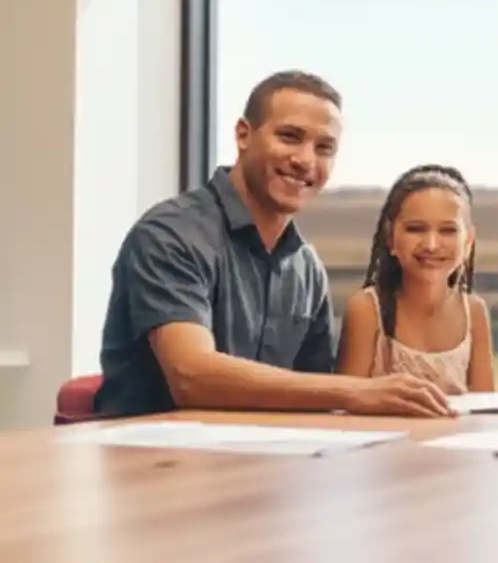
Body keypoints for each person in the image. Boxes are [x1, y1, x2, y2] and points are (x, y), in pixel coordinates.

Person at [94, 71, 454, 418]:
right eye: (290, 136)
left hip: (256, 454)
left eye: (324, 148)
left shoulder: (306, 268)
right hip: (154, 454)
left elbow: (313, 391)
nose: (305, 160)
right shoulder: (170, 234)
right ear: (243, 135)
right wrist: (357, 391)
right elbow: (191, 376)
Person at [336, 164, 494, 401]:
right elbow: (345, 405)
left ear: (468, 241)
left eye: (448, 230)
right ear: (390, 237)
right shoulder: (367, 310)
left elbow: (486, 409)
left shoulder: (474, 313)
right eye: (415, 229)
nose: (431, 245)